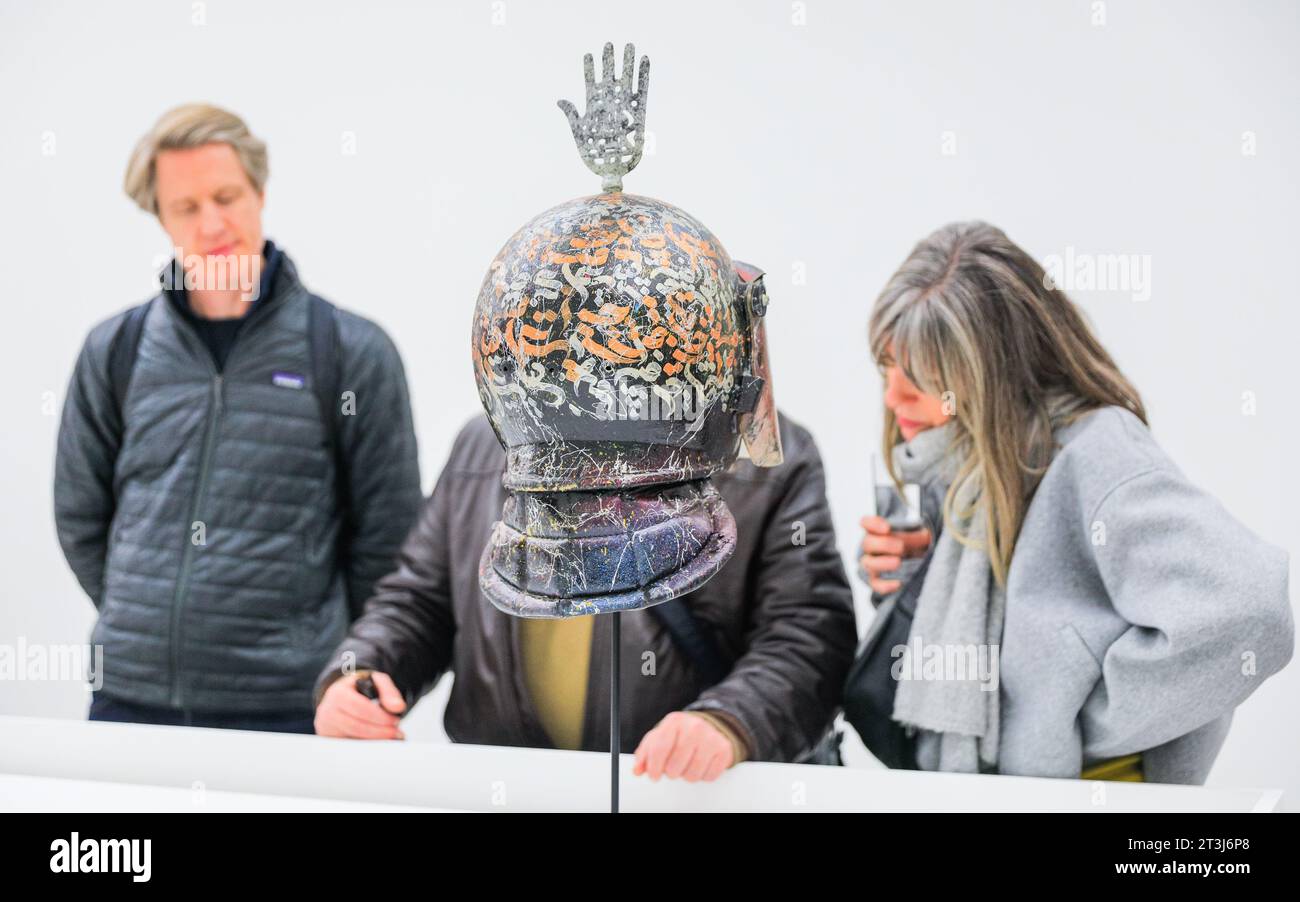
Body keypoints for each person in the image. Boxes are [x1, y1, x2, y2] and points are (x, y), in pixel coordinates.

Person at [850, 221, 1293, 783]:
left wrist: (1061, 724)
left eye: (922, 377)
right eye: (887, 366)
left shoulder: (1096, 450)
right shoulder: (967, 464)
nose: (893, 397)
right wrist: (926, 567)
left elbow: (1250, 614)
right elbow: (1032, 608)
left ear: (990, 372)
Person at [54, 103, 422, 733]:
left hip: (285, 708)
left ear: (259, 192)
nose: (213, 223)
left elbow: (388, 542)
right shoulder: (113, 350)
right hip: (129, 700)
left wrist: (323, 654)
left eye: (227, 196)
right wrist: (141, 610)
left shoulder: (350, 353)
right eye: (186, 207)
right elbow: (80, 516)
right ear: (161, 218)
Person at [313, 412, 857, 782]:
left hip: (678, 798)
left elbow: (807, 636)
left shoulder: (764, 459)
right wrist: (357, 671)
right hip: (513, 793)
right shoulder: (485, 443)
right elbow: (421, 600)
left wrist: (729, 722)